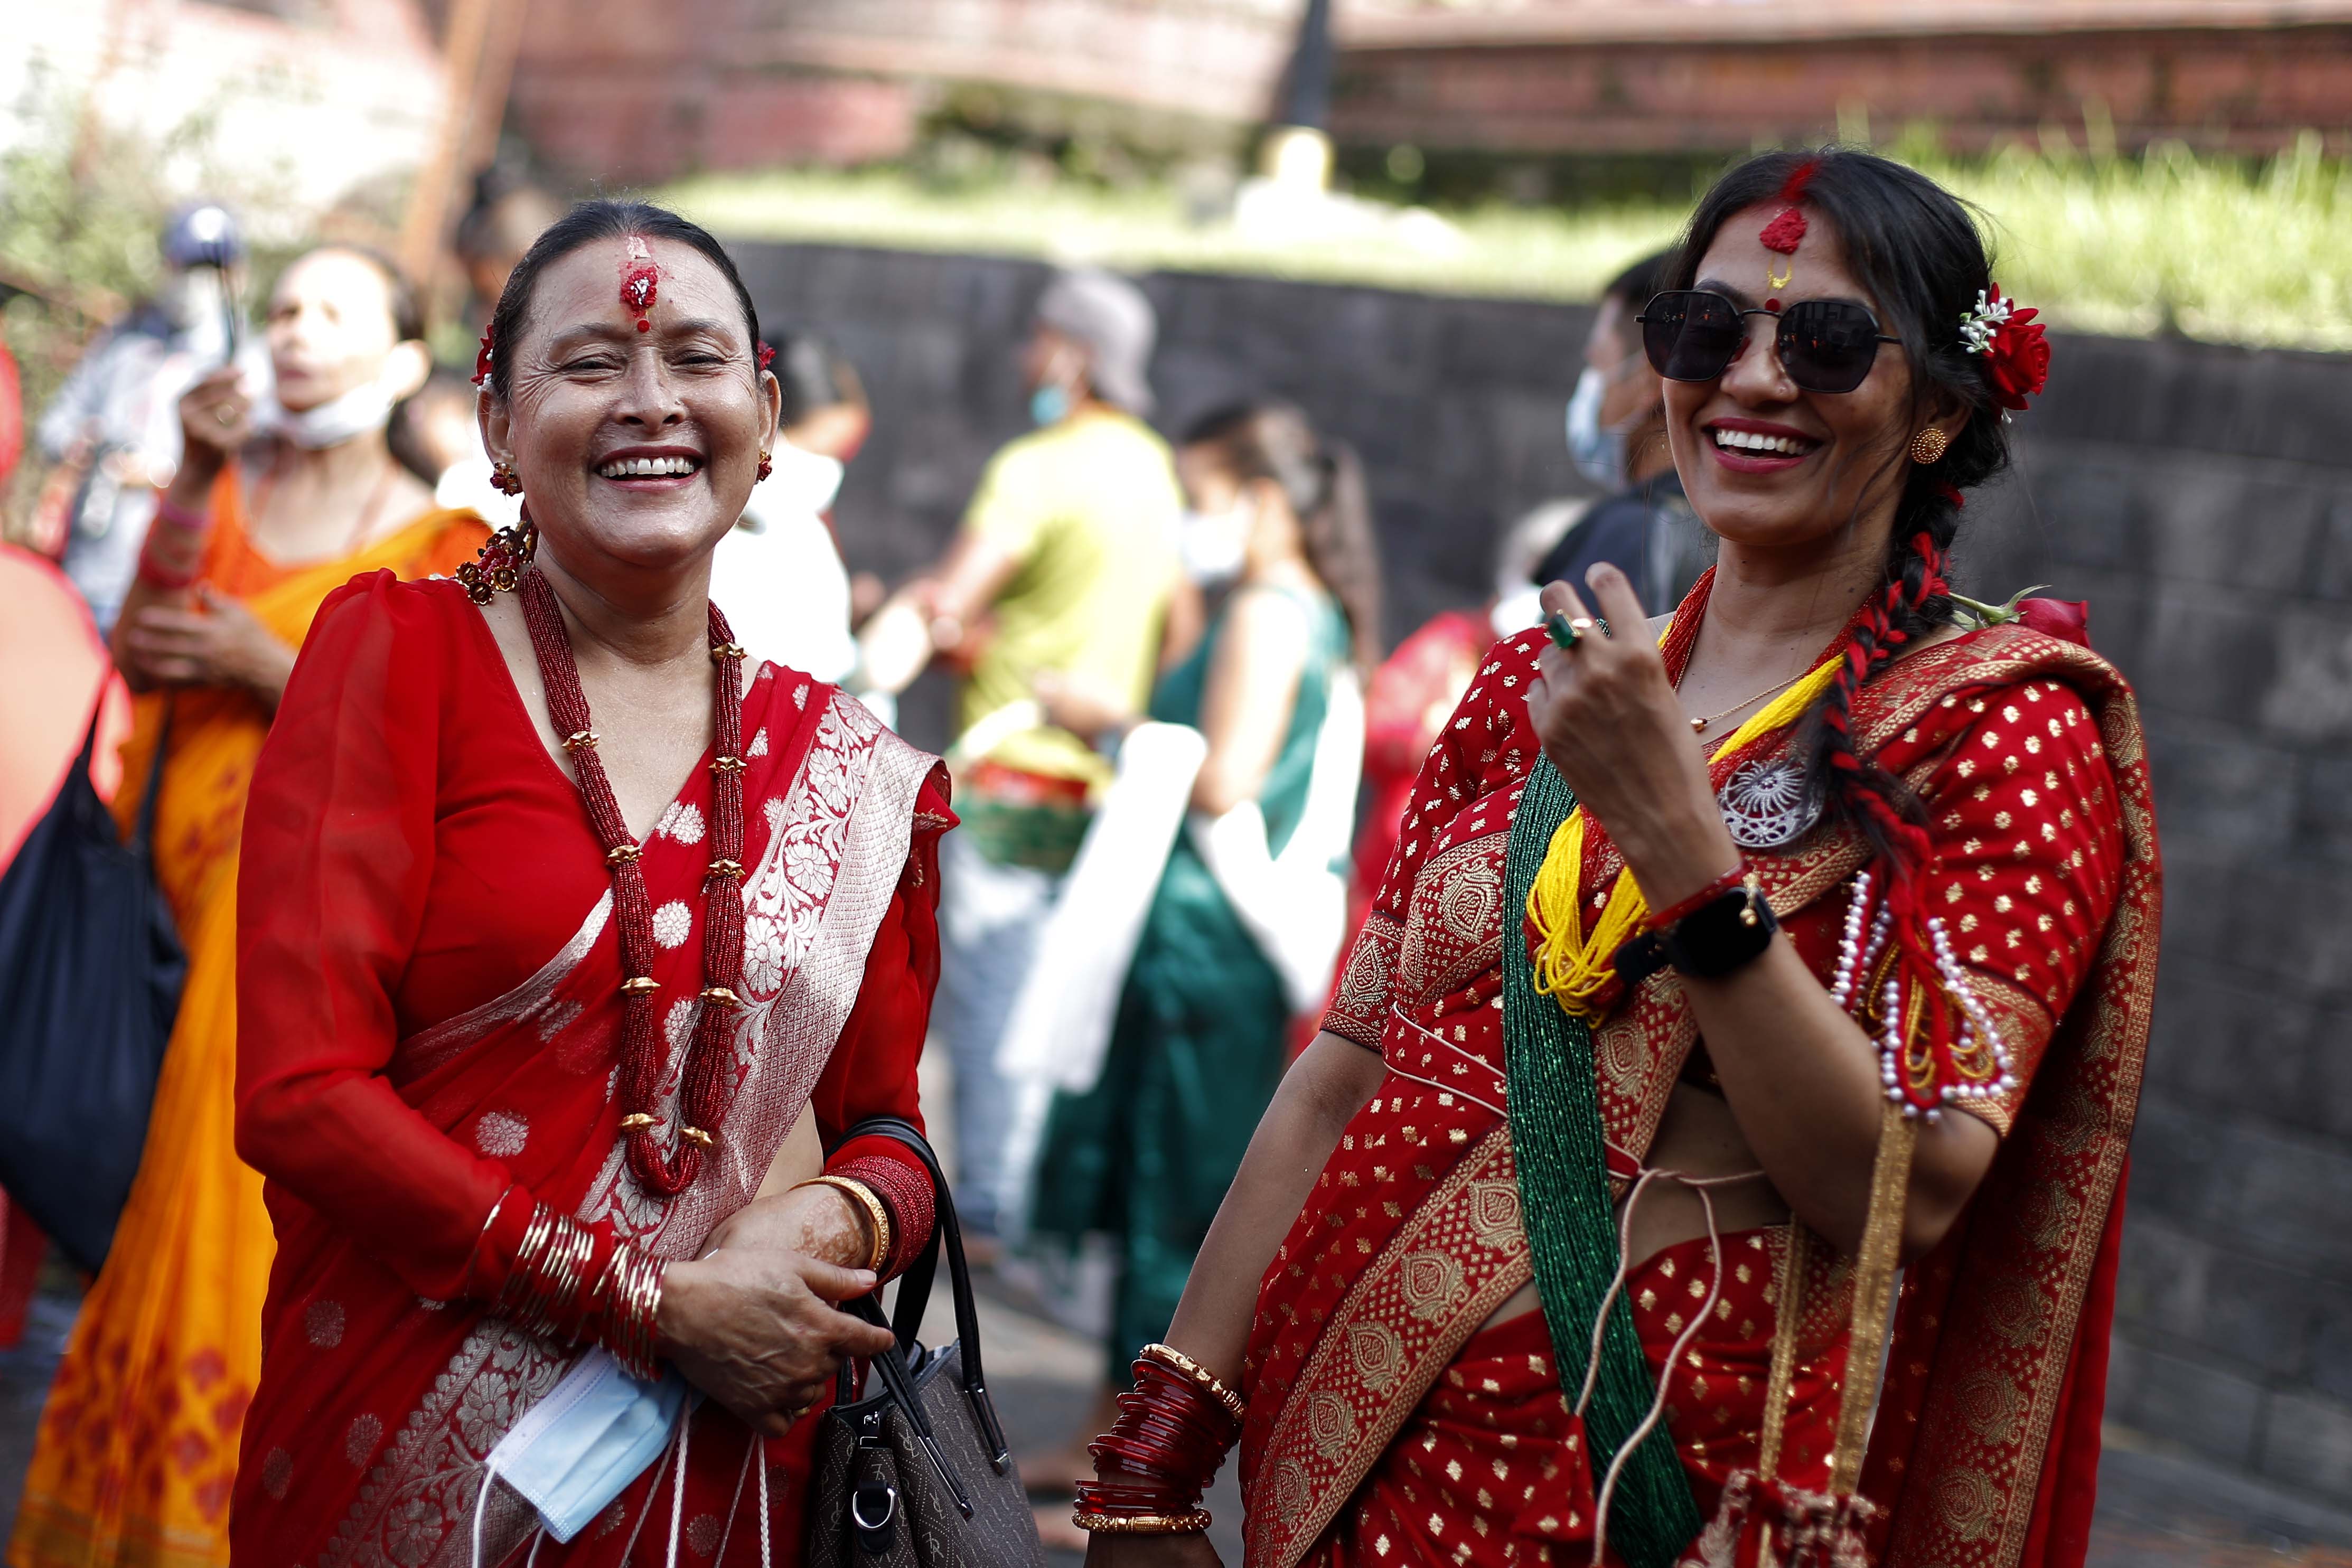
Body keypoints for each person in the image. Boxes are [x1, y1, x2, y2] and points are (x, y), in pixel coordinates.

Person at [1067, 148, 2157, 1568]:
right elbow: (1343, 1074)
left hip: (1643, 1496)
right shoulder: (1545, 679)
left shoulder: (1986, 737)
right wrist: (1155, 1463)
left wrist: (1683, 856)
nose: (1751, 381)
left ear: (1940, 413)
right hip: (1341, 1468)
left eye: (1824, 342)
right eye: (1703, 331)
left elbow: (1900, 1190)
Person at [223, 200, 951, 1564]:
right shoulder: (398, 654)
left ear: (767, 412)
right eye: (589, 365)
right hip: (404, 1449)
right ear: (495, 424)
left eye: (694, 359)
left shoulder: (839, 768)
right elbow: (300, 1093)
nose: (651, 403)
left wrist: (833, 1213)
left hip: (742, 1474)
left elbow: (894, 1137)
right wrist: (654, 1304)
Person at [10, 245, 487, 1568]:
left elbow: (444, 746)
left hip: (284, 927)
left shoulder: (447, 547)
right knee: (129, 1217)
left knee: (225, 1216)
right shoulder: (227, 491)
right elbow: (153, 626)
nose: (297, 333)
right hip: (162, 897)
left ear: (403, 362)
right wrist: (204, 478)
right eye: (284, 307)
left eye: (336, 313)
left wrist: (270, 662)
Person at [1019, 401, 1376, 1516]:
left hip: (1200, 940)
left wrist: (1109, 720)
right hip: (1200, 940)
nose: (1189, 519)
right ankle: (1114, 1438)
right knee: (1164, 1181)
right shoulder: (1288, 604)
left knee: (1173, 1190)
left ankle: (1137, 1469)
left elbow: (1222, 777)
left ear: (1263, 501)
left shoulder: (1270, 609)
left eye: (1201, 493)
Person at [857, 267, 1185, 1246]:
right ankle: (1024, 1197)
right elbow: (1178, 623)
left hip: (1005, 775)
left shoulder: (1039, 466)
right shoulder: (1154, 471)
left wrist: (935, 620)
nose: (1023, 357)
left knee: (991, 1007)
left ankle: (993, 1205)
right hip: (1094, 781)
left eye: (1039, 337)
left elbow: (949, 604)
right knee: (1052, 999)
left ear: (1075, 354)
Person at [37, 202, 261, 632]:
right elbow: (56, 426)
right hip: (85, 570)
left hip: (169, 592)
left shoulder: (250, 364)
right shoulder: (125, 341)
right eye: (185, 267)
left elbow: (254, 480)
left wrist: (163, 475)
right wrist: (84, 447)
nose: (194, 284)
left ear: (237, 275)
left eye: (208, 271)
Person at [1536, 248, 1713, 615]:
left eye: (1599, 362)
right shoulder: (1739, 527)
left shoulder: (1633, 533)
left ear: (1651, 375)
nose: (1592, 386)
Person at [711, 334, 870, 684]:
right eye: (828, 445)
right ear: (767, 418)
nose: (829, 466)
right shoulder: (771, 516)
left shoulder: (801, 515)